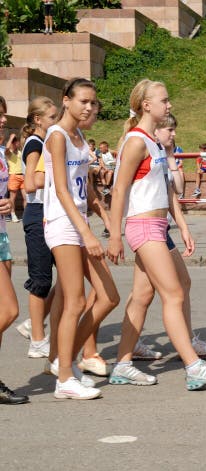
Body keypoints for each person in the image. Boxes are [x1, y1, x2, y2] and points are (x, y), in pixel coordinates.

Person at [106, 79, 206, 390]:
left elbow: (164, 189)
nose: (170, 104)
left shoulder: (152, 141)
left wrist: (183, 226)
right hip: (143, 227)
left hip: (158, 227)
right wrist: (114, 234)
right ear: (146, 105)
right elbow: (119, 188)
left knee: (144, 295)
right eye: (164, 100)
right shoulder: (135, 141)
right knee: (173, 294)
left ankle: (122, 364)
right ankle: (193, 366)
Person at [43, 78, 120, 399]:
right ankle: (64, 378)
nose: (88, 107)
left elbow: (84, 188)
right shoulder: (57, 136)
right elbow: (61, 189)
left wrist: (108, 222)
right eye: (83, 101)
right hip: (63, 224)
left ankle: (65, 360)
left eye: (92, 102)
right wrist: (87, 233)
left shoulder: (79, 136)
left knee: (108, 296)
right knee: (74, 300)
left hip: (80, 221)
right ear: (66, 100)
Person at [19, 97, 59, 360]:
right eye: (52, 117)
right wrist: (59, 178)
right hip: (37, 213)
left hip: (49, 212)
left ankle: (32, 323)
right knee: (41, 280)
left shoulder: (44, 142)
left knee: (68, 277)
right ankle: (37, 339)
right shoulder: (35, 143)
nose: (56, 121)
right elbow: (30, 183)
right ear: (38, 120)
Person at [0, 105, 28, 402]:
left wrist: (7, 205)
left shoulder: (1, 152)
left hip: (2, 236)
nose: (4, 119)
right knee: (9, 310)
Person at [6, 133, 24, 222]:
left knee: (26, 197)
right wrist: (11, 138)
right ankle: (13, 215)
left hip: (22, 176)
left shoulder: (20, 152)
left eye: (17, 142)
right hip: (13, 176)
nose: (18, 143)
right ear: (13, 143)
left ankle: (25, 215)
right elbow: (6, 149)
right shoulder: (9, 153)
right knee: (12, 198)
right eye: (16, 142)